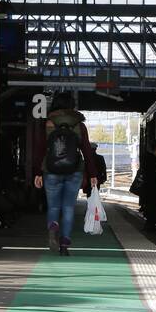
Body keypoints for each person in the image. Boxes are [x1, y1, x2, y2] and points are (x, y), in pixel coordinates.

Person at [32, 92, 97, 255]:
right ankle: (64, 245)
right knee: (68, 207)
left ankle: (53, 226)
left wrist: (37, 173)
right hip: (74, 170)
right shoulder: (79, 125)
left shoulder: (48, 123)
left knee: (54, 206)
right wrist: (92, 174)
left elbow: (40, 149)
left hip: (51, 170)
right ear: (71, 106)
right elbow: (87, 150)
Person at [134, 138, 156, 232]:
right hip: (151, 189)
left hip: (149, 189)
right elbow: (152, 176)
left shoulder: (148, 158)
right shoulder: (151, 160)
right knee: (154, 207)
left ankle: (150, 226)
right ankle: (150, 227)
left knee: (152, 207)